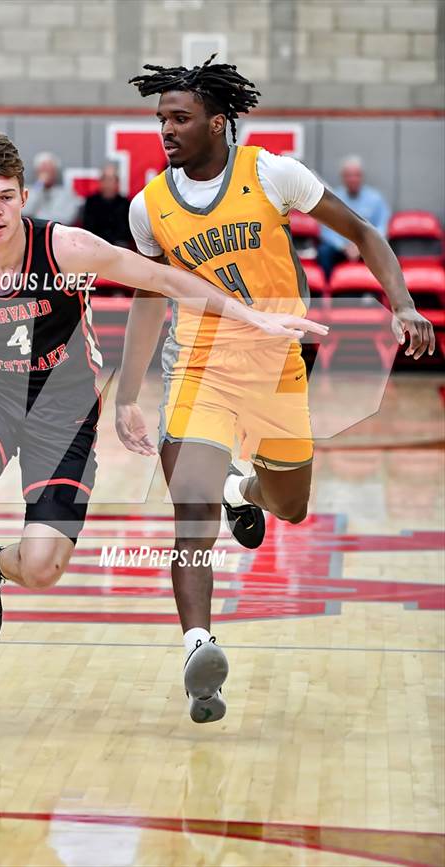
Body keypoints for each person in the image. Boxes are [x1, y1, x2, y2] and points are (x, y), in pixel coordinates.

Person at [0, 132, 325, 726]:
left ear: (24, 198)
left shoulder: (65, 248)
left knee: (44, 568)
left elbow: (166, 279)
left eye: (4, 197)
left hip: (64, 413)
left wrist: (253, 315)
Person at [116, 56, 435, 725]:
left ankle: (247, 490)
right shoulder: (149, 207)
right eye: (161, 119)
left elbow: (364, 232)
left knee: (288, 506)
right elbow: (149, 299)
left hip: (277, 369)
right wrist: (126, 392)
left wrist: (402, 303)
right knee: (192, 509)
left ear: (218, 121)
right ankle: (199, 648)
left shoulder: (270, 173)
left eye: (179, 118)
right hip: (198, 368)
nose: (166, 130)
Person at [317, 155, 391, 278]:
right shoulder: (334, 198)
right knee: (324, 252)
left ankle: (378, 292)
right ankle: (328, 292)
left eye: (356, 175)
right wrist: (343, 246)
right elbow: (326, 230)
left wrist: (361, 246)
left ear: (362, 176)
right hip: (341, 249)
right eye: (349, 175)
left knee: (384, 252)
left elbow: (383, 227)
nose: (353, 179)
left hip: (368, 247)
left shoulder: (375, 198)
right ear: (343, 177)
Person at [22, 151, 82, 225]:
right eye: (43, 170)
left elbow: (68, 218)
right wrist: (39, 185)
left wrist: (40, 219)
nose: (46, 174)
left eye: (49, 170)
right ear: (37, 172)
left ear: (55, 172)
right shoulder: (29, 191)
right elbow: (26, 211)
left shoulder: (67, 193)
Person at [81, 162, 133, 247]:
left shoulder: (125, 204)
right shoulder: (91, 202)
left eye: (111, 179)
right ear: (100, 182)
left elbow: (126, 232)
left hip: (118, 247)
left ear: (117, 182)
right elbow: (88, 228)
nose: (107, 183)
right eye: (104, 179)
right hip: (95, 245)